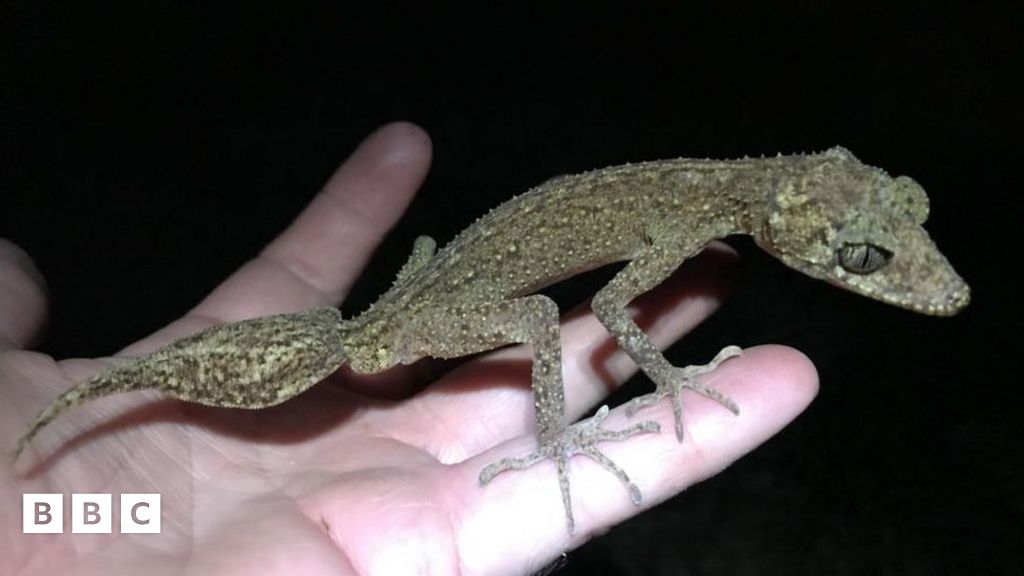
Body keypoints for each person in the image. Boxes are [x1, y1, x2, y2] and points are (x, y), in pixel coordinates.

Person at [1, 122, 817, 575]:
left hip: (424, 298)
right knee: (538, 315)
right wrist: (659, 381)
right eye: (853, 254)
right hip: (415, 317)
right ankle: (552, 440)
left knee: (453, 288)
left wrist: (45, 517)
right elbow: (604, 302)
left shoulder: (698, 195)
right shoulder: (692, 210)